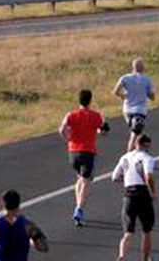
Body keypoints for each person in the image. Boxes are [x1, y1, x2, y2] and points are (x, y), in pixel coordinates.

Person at [59, 89, 109, 227]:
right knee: (86, 182)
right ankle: (79, 209)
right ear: (90, 100)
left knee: (80, 179)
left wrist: (68, 139)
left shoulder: (71, 115)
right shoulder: (96, 115)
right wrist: (99, 130)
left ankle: (78, 207)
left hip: (73, 152)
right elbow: (104, 131)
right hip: (88, 152)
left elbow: (61, 129)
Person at [111, 133, 157, 261]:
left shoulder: (125, 157)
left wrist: (126, 178)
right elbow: (148, 176)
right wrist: (153, 192)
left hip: (128, 196)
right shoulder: (147, 158)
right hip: (143, 195)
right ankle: (145, 258)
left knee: (128, 232)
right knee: (147, 231)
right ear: (146, 145)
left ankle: (122, 255)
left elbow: (114, 177)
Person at [0, 190, 47, 261]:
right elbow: (43, 247)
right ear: (18, 205)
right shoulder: (28, 225)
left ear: (2, 204)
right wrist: (32, 238)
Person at [112, 58, 156, 152]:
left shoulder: (125, 78)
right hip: (140, 110)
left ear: (133, 67)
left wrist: (123, 97)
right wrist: (146, 93)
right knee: (134, 134)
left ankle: (136, 154)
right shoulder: (146, 79)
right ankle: (129, 155)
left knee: (136, 133)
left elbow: (115, 91)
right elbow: (152, 97)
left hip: (127, 110)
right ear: (142, 67)